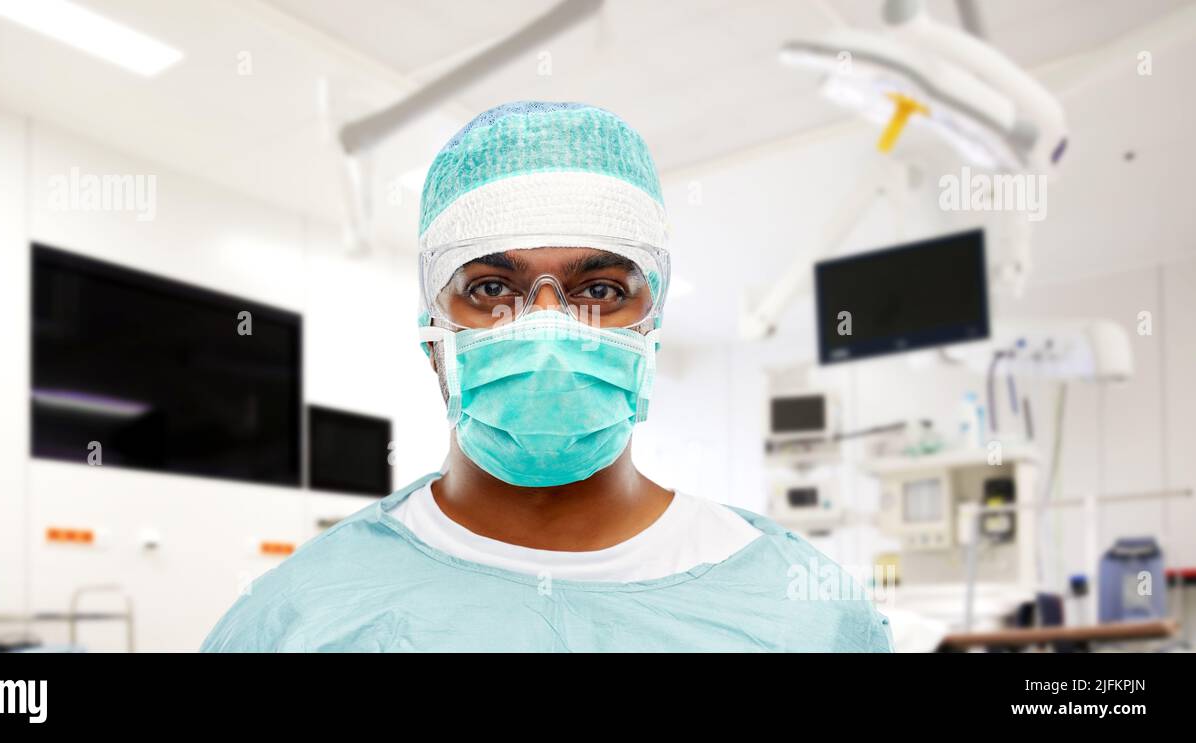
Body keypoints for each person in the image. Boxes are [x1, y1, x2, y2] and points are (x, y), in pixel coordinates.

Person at [202, 101, 893, 652]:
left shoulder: (806, 614)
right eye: (491, 287)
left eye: (597, 291)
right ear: (432, 334)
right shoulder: (296, 618)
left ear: (651, 322)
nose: (547, 328)